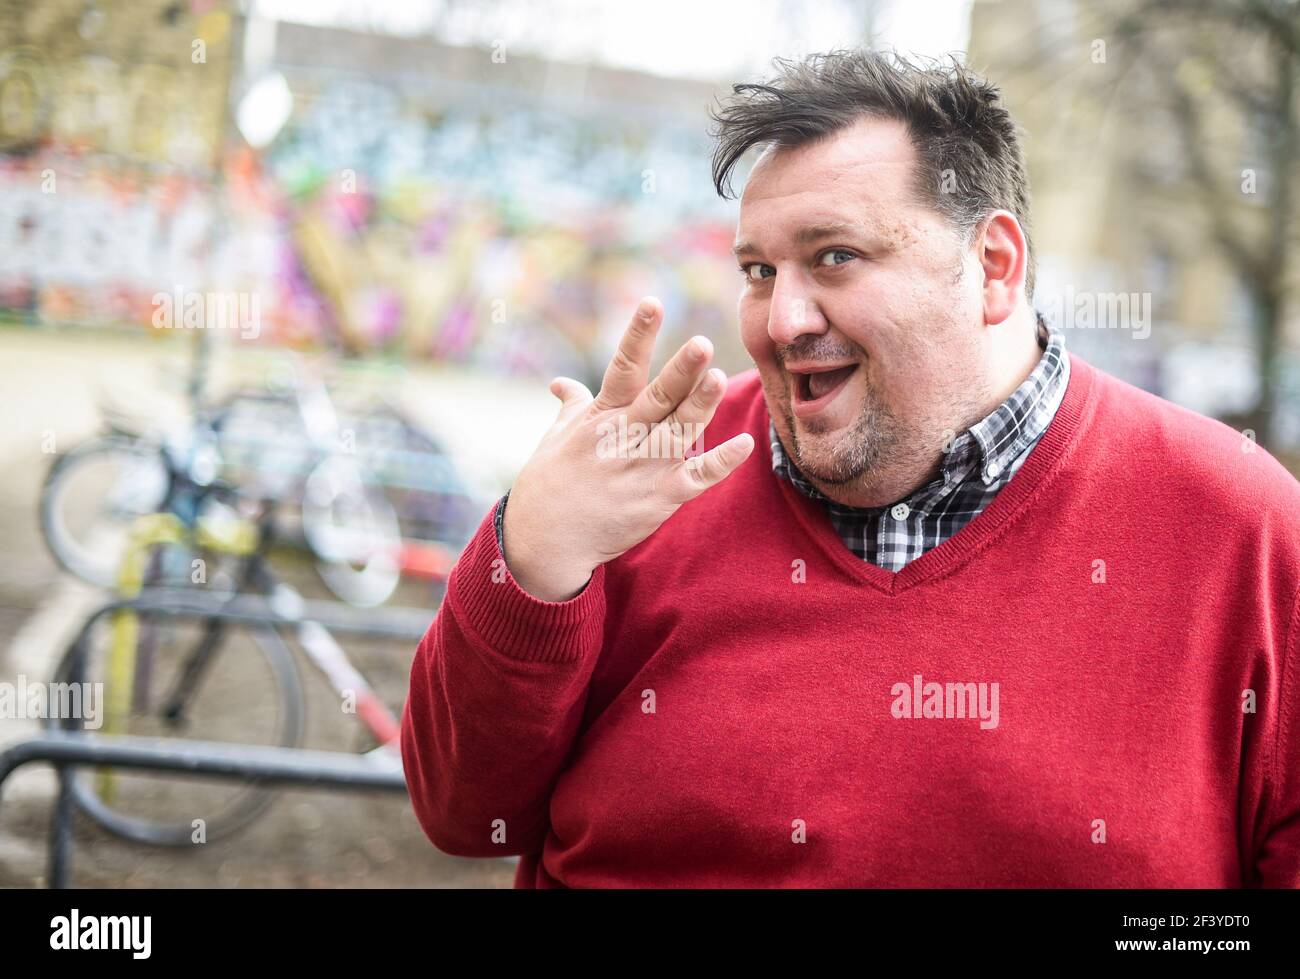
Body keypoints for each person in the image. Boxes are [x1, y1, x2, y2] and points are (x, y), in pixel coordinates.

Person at [400, 48, 1300, 887]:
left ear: (991, 266)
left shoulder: (1243, 529)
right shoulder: (638, 488)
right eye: (759, 270)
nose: (783, 319)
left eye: (836, 257)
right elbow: (462, 812)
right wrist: (533, 557)